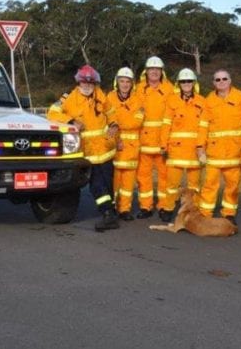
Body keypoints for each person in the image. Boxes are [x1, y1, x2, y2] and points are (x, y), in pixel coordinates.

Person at [48, 65, 119, 232]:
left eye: (90, 83)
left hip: (106, 151)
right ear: (78, 83)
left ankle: (111, 211)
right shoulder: (69, 98)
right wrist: (71, 121)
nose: (87, 86)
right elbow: (52, 112)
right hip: (88, 153)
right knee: (96, 185)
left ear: (95, 84)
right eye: (84, 83)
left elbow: (111, 113)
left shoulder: (101, 96)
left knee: (108, 184)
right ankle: (107, 214)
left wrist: (114, 125)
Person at [196, 69, 241, 225]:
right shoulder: (209, 100)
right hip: (213, 153)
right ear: (213, 83)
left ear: (230, 80)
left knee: (233, 187)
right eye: (218, 79)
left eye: (224, 79)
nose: (221, 82)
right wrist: (200, 148)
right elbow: (203, 126)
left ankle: (229, 214)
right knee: (209, 185)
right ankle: (205, 214)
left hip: (234, 153)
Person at [158, 68, 205, 222]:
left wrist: (201, 147)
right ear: (179, 83)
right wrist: (163, 145)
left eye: (189, 81)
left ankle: (193, 210)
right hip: (175, 150)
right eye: (183, 81)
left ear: (194, 83)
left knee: (194, 185)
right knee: (172, 184)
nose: (186, 84)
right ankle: (168, 208)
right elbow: (166, 124)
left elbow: (203, 127)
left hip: (194, 150)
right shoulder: (172, 101)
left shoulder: (201, 102)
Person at [135, 56, 173, 219]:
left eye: (157, 69)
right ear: (146, 71)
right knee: (143, 177)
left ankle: (164, 206)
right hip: (143, 142)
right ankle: (146, 206)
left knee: (165, 177)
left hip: (163, 143)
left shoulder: (170, 89)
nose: (154, 72)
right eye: (151, 69)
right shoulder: (138, 89)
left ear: (162, 71)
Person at [106, 67, 144, 221]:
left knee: (128, 184)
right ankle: (112, 208)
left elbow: (137, 121)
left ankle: (124, 210)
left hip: (131, 149)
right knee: (114, 182)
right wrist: (116, 134)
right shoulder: (109, 98)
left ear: (132, 84)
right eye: (122, 81)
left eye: (128, 81)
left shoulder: (138, 100)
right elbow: (107, 119)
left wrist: (117, 122)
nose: (125, 84)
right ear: (117, 82)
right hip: (114, 147)